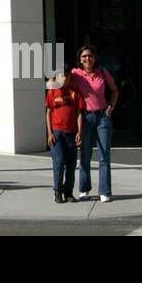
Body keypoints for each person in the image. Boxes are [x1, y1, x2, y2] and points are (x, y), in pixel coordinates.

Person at [69, 44, 118, 202]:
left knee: (104, 155)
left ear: (94, 58)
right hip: (85, 118)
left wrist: (111, 106)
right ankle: (84, 189)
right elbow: (60, 83)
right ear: (80, 59)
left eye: (90, 56)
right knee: (85, 155)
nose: (87, 59)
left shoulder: (102, 72)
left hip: (102, 117)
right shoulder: (75, 74)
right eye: (84, 56)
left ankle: (105, 191)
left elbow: (115, 90)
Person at [45, 70, 82, 203]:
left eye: (67, 75)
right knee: (59, 162)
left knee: (71, 165)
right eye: (61, 75)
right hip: (57, 132)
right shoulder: (52, 91)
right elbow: (48, 112)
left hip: (71, 133)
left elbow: (79, 113)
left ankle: (69, 192)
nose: (64, 78)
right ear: (57, 77)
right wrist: (49, 133)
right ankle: (57, 191)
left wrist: (79, 132)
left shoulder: (75, 92)